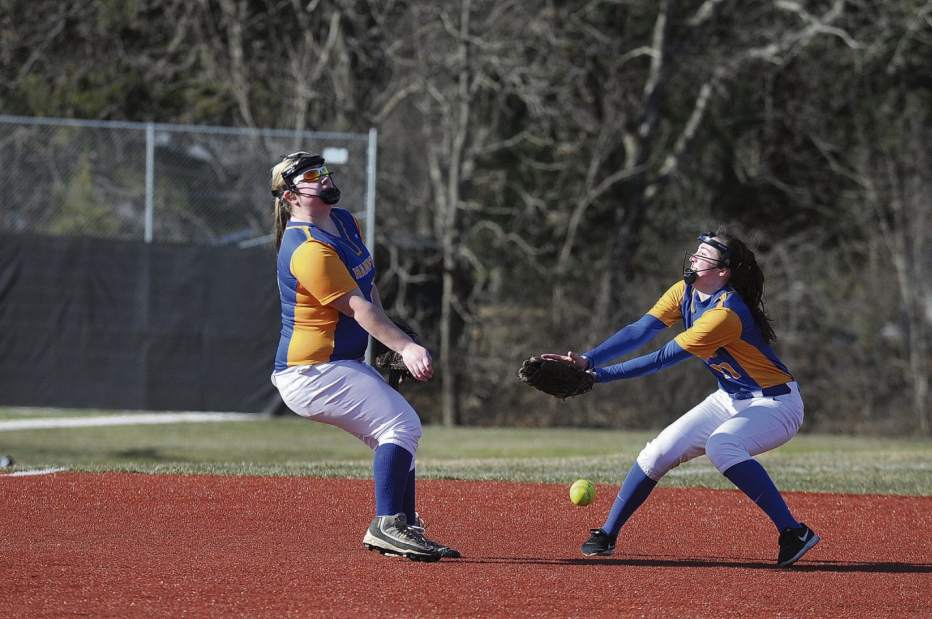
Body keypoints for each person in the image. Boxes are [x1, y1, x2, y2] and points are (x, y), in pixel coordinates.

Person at [542, 230, 820, 567]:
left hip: (776, 404)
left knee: (722, 445)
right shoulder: (684, 291)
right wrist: (589, 360)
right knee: (657, 452)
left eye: (704, 256)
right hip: (729, 397)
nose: (694, 258)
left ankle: (794, 531)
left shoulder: (724, 314)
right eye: (696, 252)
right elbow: (640, 330)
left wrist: (597, 377)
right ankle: (607, 534)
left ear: (723, 271)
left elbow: (661, 358)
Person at [268, 151, 459, 562]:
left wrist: (390, 336)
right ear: (290, 197)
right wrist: (404, 346)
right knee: (400, 424)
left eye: (322, 171)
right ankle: (387, 524)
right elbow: (357, 308)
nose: (322, 178)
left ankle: (403, 526)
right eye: (310, 176)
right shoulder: (307, 248)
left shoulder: (344, 222)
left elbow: (368, 288)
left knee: (397, 433)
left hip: (338, 363)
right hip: (310, 371)